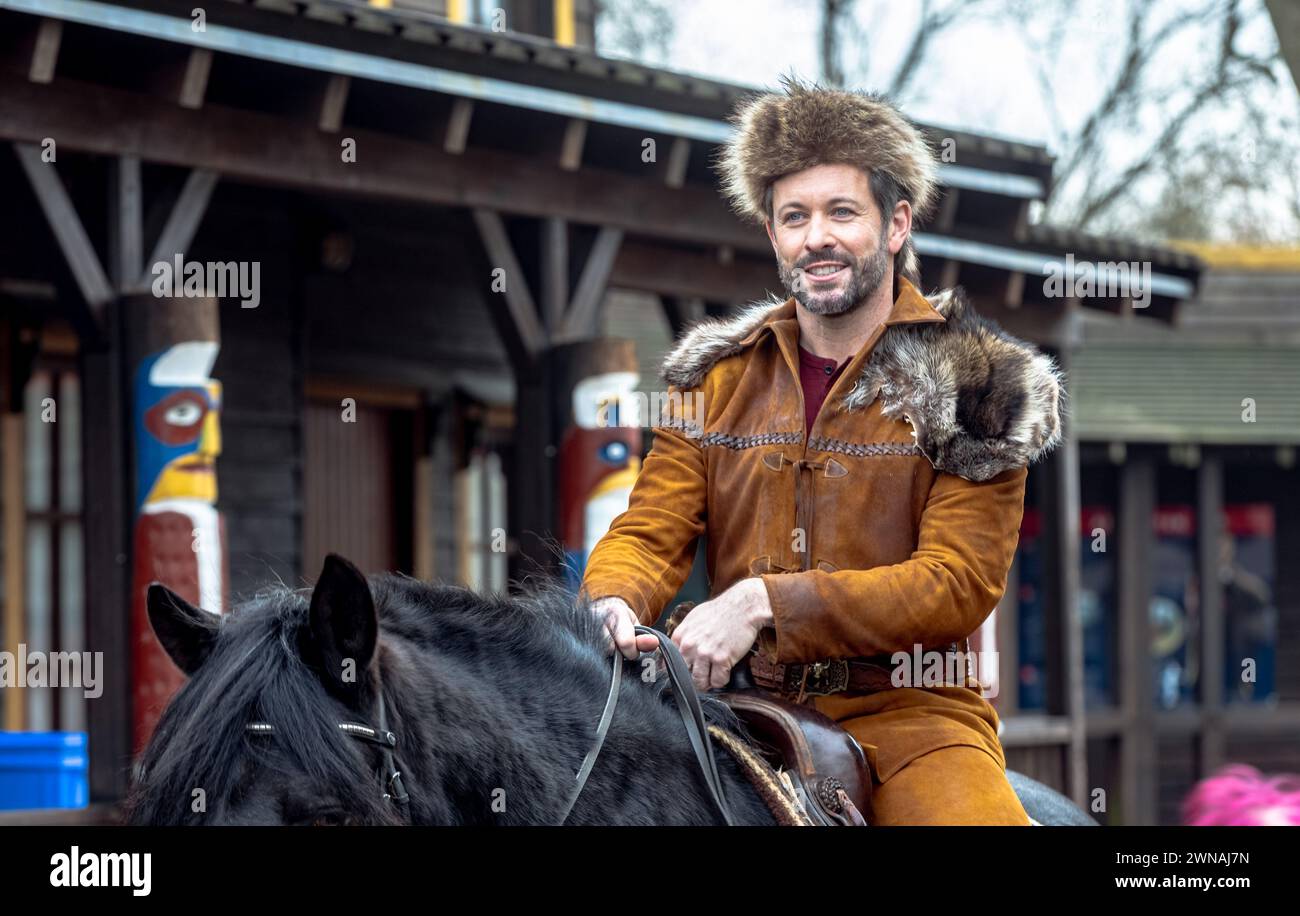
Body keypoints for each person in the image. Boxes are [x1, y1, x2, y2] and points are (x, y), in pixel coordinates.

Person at [579, 75, 1064, 825]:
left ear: (896, 224)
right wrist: (610, 602)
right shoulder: (710, 377)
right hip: (733, 707)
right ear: (772, 233)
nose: (817, 238)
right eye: (794, 216)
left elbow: (955, 583)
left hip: (914, 717)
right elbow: (650, 531)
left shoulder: (983, 383)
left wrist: (762, 602)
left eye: (843, 212)